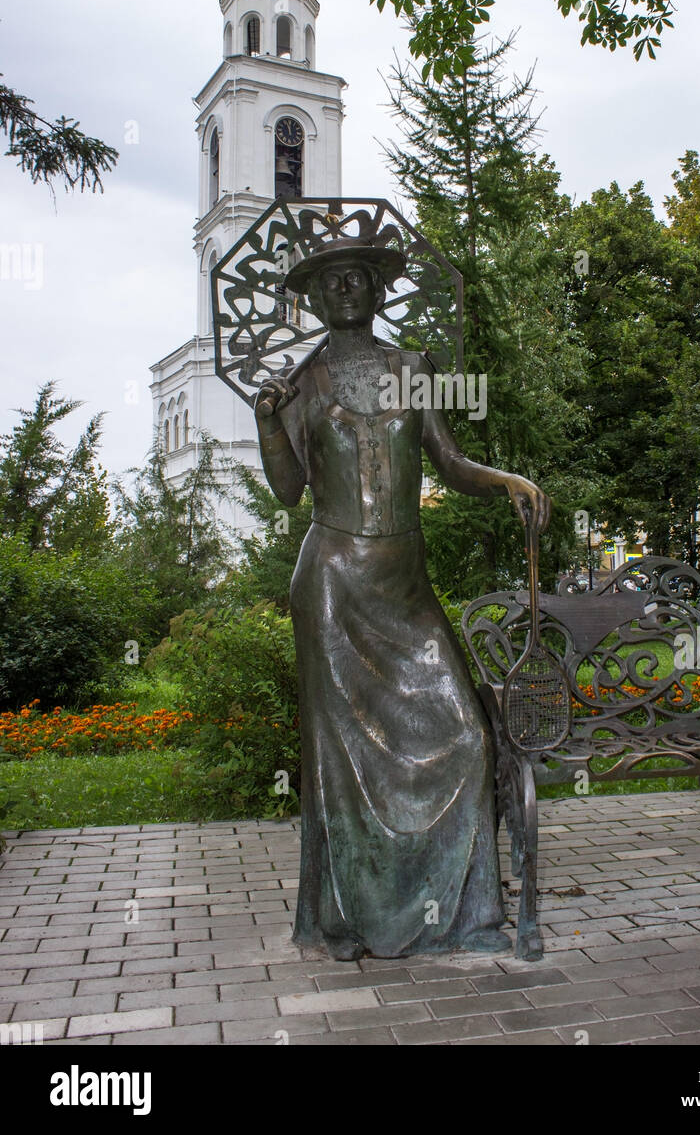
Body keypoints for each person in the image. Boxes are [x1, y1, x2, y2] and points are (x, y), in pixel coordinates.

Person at [255, 234, 550, 960]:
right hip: (332, 584)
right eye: (332, 282)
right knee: (341, 758)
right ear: (316, 299)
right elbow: (289, 490)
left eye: (359, 278)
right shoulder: (301, 384)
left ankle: (468, 915)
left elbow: (447, 463)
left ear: (377, 290)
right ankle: (345, 919)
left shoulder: (413, 369)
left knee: (467, 734)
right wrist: (269, 423)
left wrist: (506, 481)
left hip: (403, 582)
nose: (347, 289)